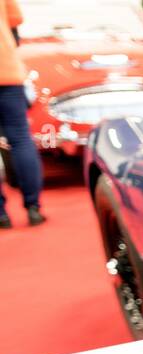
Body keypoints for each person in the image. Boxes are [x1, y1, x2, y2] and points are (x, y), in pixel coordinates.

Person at [0, 0, 42, 229]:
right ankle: (33, 208)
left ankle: (1, 215)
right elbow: (15, 21)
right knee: (20, 138)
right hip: (6, 70)